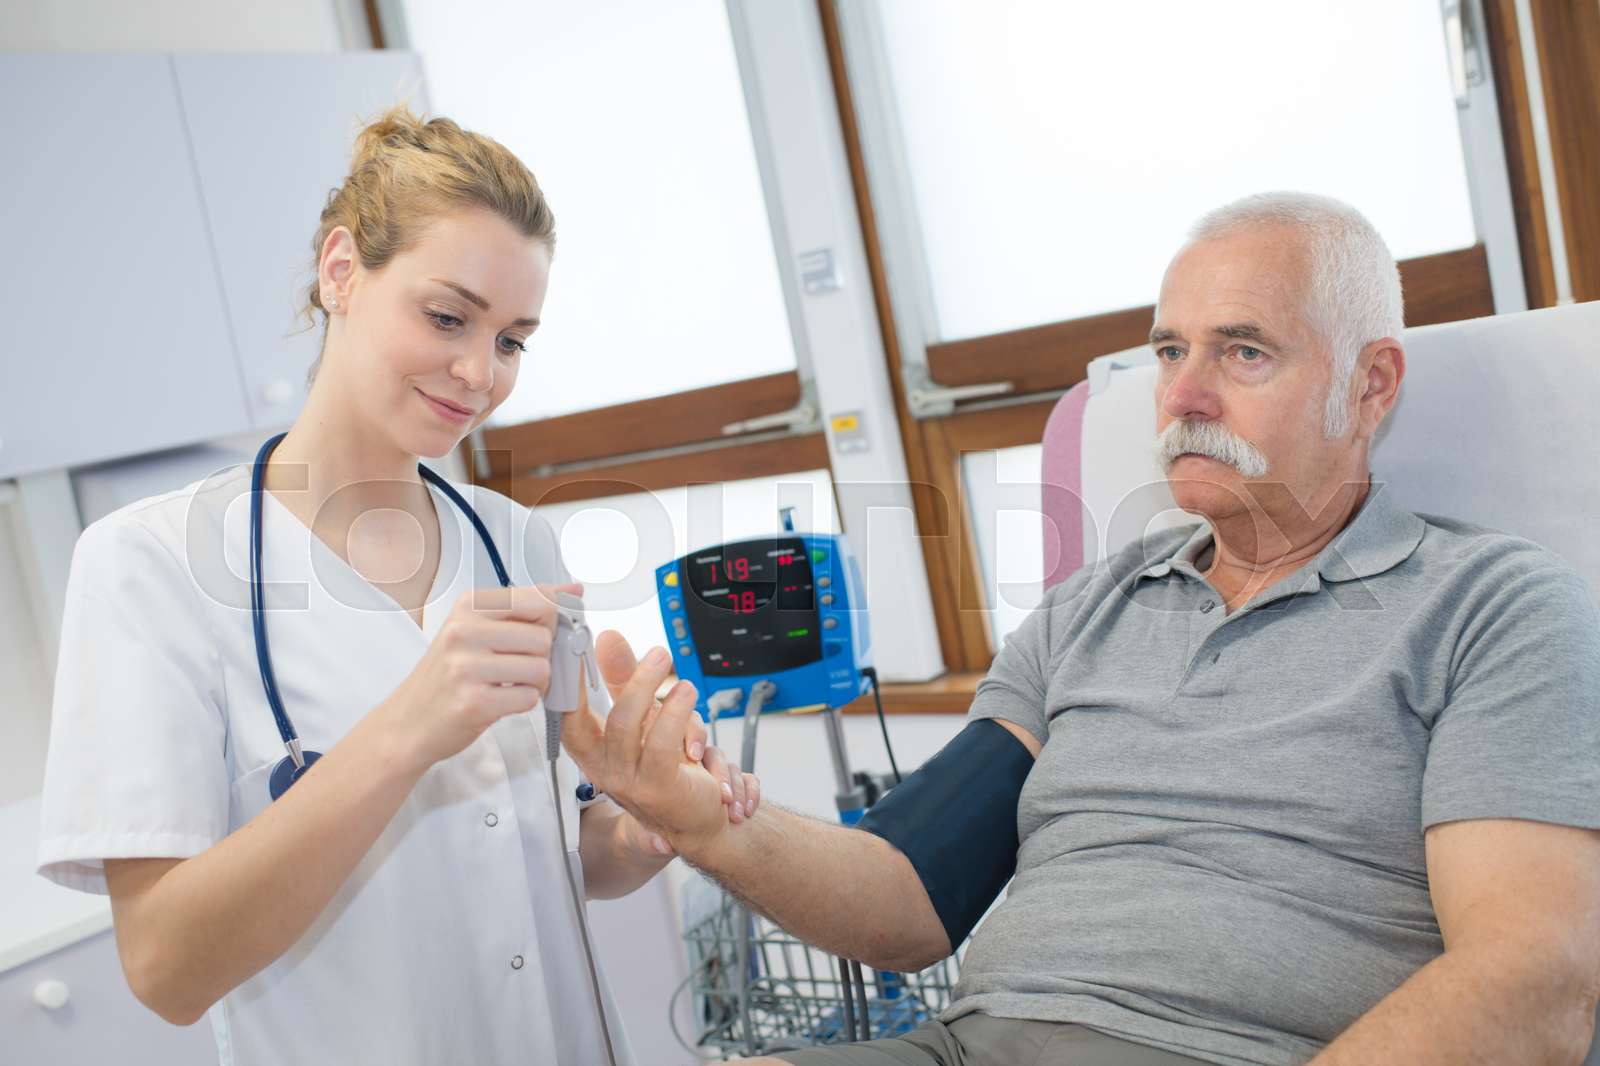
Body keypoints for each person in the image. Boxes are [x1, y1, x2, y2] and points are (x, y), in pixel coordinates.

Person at [564, 192, 1600, 1066]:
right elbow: (904, 895)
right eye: (1169, 349)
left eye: (1242, 351)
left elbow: (1534, 981)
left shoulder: (1492, 609)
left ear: (1369, 384)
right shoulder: (1089, 608)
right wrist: (707, 822)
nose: (1183, 395)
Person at [35, 105, 759, 1066]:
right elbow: (167, 968)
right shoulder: (151, 566)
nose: (478, 373)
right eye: (448, 317)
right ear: (341, 271)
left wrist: (651, 830)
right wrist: (405, 731)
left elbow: (556, 848)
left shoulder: (514, 545)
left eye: (512, 340)